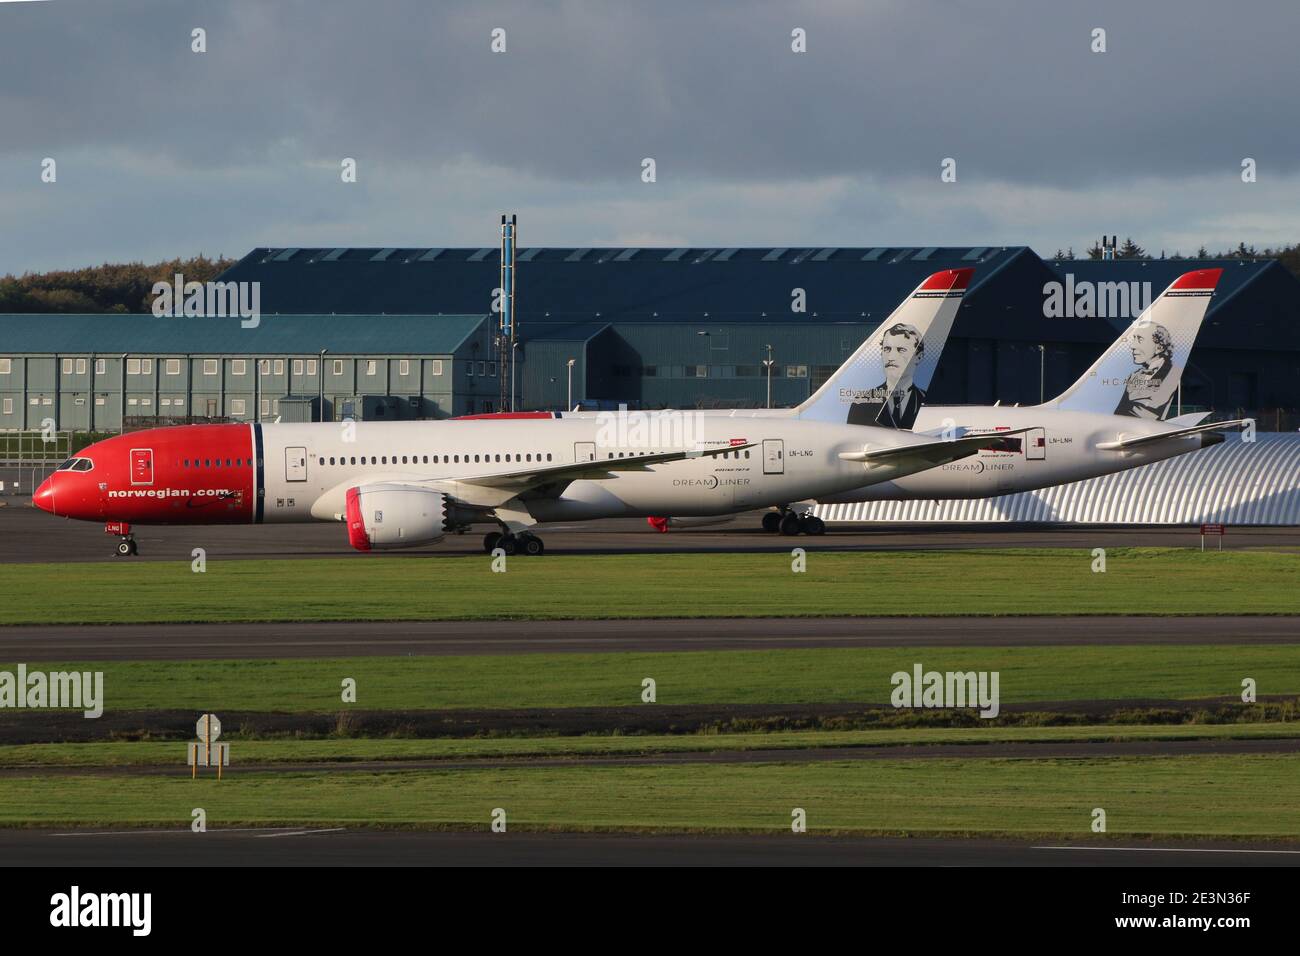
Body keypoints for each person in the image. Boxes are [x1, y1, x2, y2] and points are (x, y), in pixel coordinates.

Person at [848, 322, 927, 429]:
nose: (891, 357)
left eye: (901, 350)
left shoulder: (928, 401)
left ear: (918, 357)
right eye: (887, 349)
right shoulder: (862, 402)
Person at [1114, 323, 1178, 419]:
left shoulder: (1173, 373)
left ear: (1159, 347)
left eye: (1139, 339)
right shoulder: (1134, 375)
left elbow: (1148, 411)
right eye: (1134, 339)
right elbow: (1120, 412)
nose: (1132, 346)